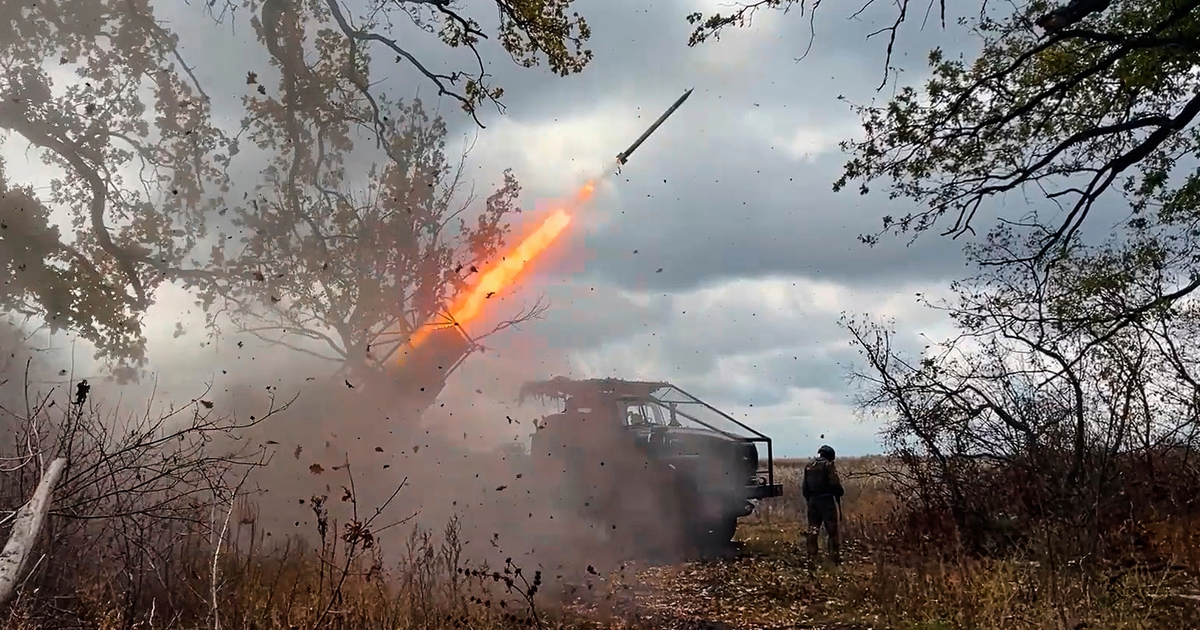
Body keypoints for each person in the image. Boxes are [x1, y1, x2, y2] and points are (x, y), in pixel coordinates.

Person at [801, 444, 845, 564]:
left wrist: (810, 500)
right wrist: (839, 492)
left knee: (813, 530)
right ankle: (834, 558)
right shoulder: (828, 465)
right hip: (826, 502)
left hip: (812, 502)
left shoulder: (809, 465)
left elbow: (804, 487)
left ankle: (811, 557)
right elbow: (834, 483)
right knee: (832, 530)